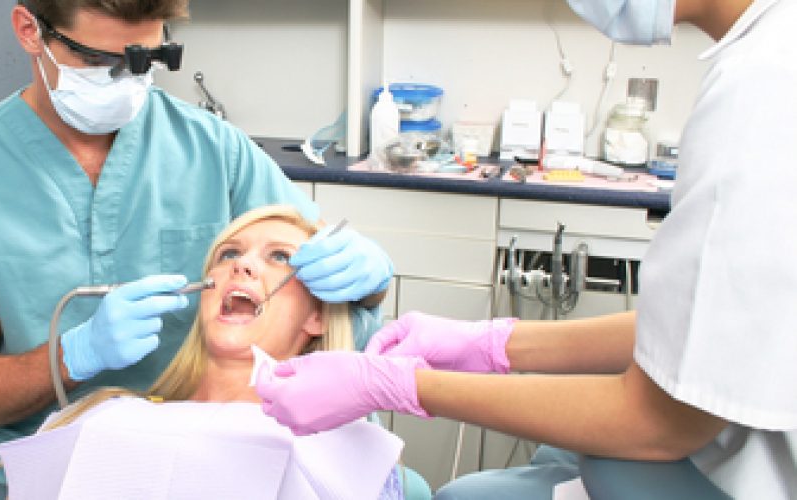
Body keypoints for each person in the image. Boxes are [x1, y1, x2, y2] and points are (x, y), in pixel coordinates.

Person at [256, 0, 797, 498]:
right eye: (228, 254)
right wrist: (494, 344)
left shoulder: (764, 91)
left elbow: (659, 422)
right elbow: (705, 332)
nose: (245, 272)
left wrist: (398, 386)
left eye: (276, 257)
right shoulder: (761, 60)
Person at [0, 1, 394, 498]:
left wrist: (369, 279)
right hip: (25, 442)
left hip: (202, 427)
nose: (127, 81)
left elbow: (322, 286)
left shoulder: (216, 151)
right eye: (100, 62)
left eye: (147, 60)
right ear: (30, 31)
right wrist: (75, 354)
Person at [0, 205, 431, 499]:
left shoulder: (345, 454)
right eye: (229, 253)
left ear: (317, 317)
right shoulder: (103, 416)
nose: (242, 263)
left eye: (280, 258)